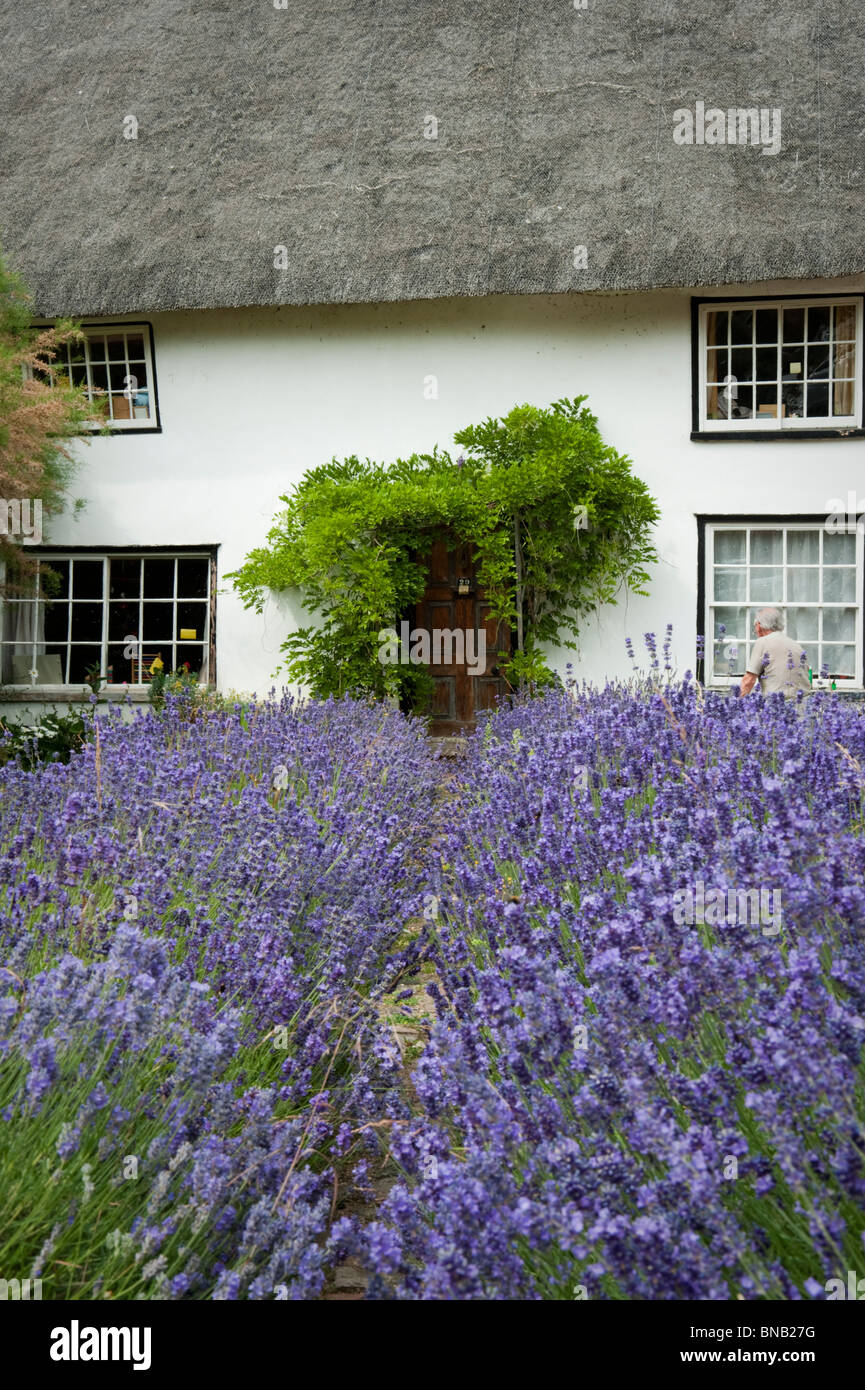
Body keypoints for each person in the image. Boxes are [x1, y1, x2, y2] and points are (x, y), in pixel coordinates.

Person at [738, 608, 810, 698]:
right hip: (803, 702)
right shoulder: (796, 645)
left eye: (755, 626)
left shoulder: (762, 642)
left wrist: (737, 702)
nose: (755, 630)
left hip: (776, 703)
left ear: (759, 625)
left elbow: (749, 680)